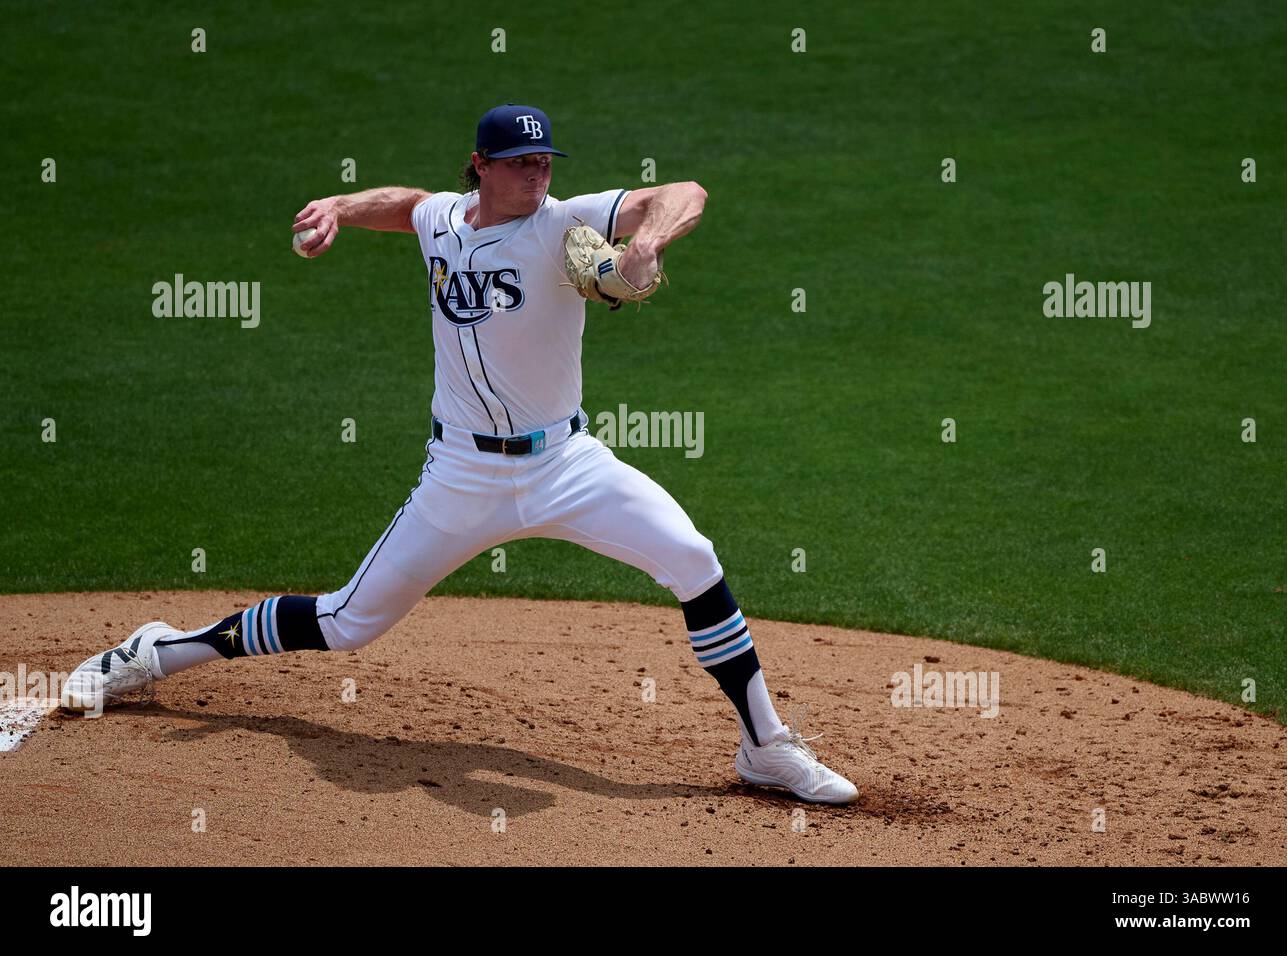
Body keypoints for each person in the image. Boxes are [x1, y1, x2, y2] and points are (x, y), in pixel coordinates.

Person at [61, 104, 858, 804]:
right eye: (521, 163)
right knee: (346, 623)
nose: (537, 175)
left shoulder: (564, 224)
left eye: (545, 161)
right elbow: (405, 204)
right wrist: (340, 204)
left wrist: (644, 244)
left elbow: (684, 193)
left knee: (693, 556)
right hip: (462, 475)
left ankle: (765, 746)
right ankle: (157, 652)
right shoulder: (445, 219)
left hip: (566, 465)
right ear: (482, 167)